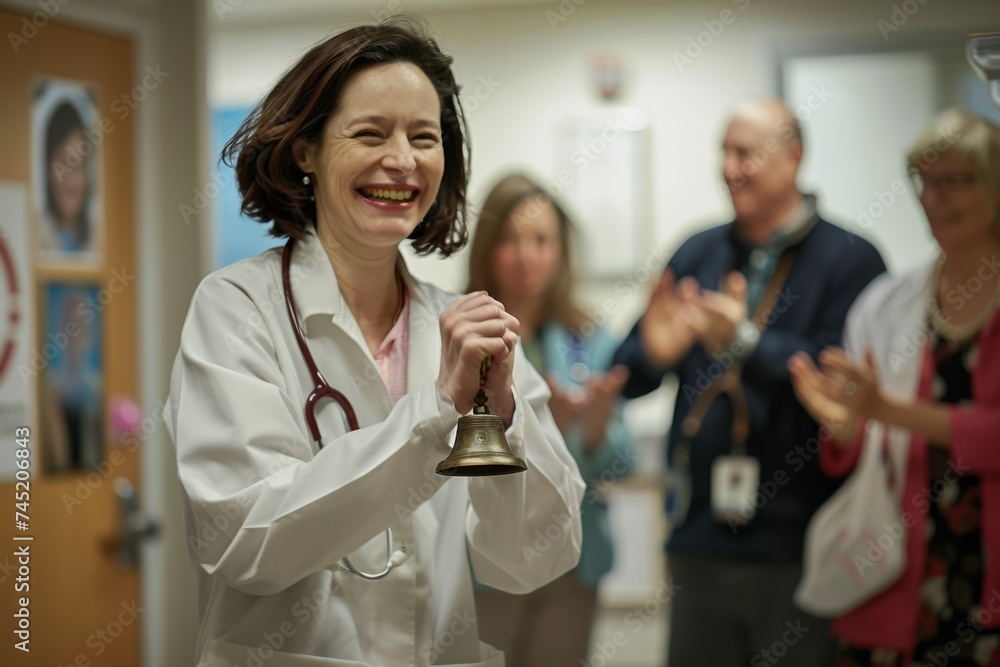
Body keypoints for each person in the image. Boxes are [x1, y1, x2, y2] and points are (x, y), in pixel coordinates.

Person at [163, 20, 585, 667]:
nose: (403, 159)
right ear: (306, 150)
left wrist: (501, 419)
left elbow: (536, 556)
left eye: (424, 137)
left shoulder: (471, 329)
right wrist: (435, 410)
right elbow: (244, 540)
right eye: (370, 132)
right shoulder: (236, 309)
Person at [612, 98, 887, 666]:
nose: (729, 167)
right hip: (698, 539)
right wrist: (653, 355)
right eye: (724, 151)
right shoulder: (699, 250)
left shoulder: (851, 259)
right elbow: (629, 376)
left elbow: (837, 377)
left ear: (794, 157)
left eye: (746, 153)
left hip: (802, 545)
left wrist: (743, 341)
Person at [789, 108, 1000, 665]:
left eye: (953, 181)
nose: (934, 198)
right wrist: (847, 425)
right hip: (898, 566)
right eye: (924, 182)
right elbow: (860, 453)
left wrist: (887, 408)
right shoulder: (889, 304)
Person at [466, 174, 633, 667]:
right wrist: (541, 430)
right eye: (510, 240)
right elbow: (451, 452)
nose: (526, 256)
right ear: (487, 249)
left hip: (573, 565)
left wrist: (595, 429)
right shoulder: (463, 335)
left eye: (541, 240)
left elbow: (623, 465)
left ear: (561, 249)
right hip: (486, 560)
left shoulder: (592, 339)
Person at [38, 101, 93, 253]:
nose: (71, 181)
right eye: (63, 164)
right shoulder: (35, 236)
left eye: (78, 165)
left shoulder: (103, 239)